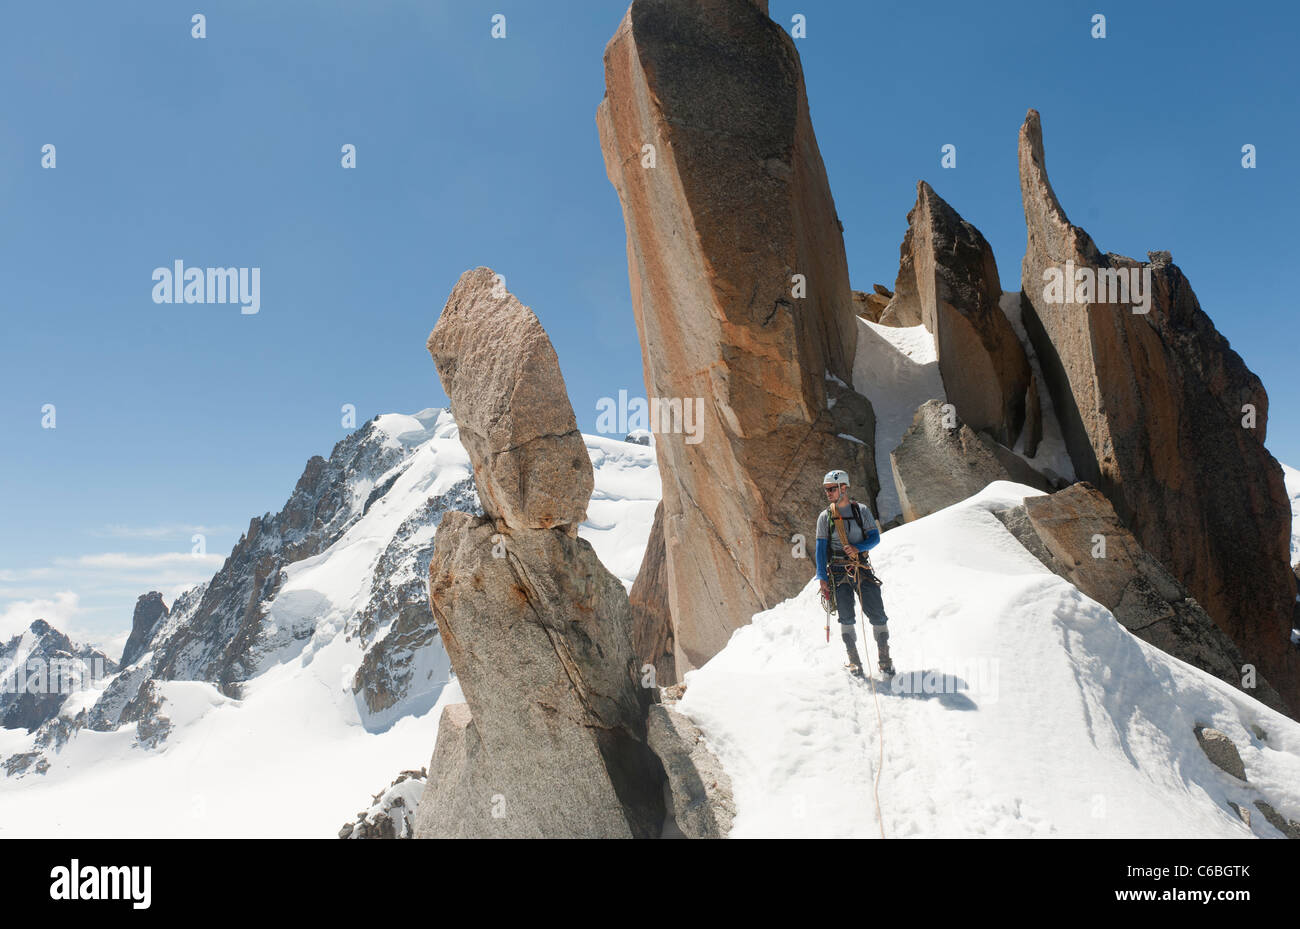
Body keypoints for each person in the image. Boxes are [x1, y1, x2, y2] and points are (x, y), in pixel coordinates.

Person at [815, 469, 894, 677]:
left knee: (877, 613)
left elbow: (875, 538)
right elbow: (821, 551)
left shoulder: (861, 511)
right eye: (826, 490)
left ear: (843, 488)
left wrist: (859, 548)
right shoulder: (825, 518)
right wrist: (822, 578)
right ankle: (854, 661)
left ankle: (884, 660)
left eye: (831, 489)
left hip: (860, 566)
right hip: (838, 572)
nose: (828, 493)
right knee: (846, 617)